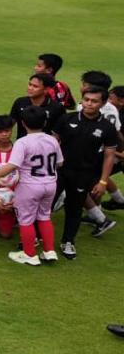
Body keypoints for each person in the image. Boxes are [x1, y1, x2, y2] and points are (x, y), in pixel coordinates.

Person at [52, 85, 120, 259]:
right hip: (58, 172)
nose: (89, 104)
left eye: (94, 101)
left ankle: (68, 241)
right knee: (46, 206)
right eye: (86, 100)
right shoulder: (67, 119)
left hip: (83, 175)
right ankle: (36, 237)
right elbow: (53, 142)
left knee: (74, 209)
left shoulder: (107, 127)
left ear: (102, 103)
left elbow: (109, 156)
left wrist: (103, 181)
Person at [0, 107, 63, 265]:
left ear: (23, 123)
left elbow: (12, 165)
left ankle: (29, 254)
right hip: (51, 184)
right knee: (44, 216)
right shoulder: (52, 140)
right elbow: (59, 163)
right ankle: (49, 251)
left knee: (26, 219)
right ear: (45, 122)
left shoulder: (22, 142)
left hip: (29, 186)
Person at [9, 73, 66, 139]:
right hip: (23, 144)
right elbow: (9, 124)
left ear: (46, 89)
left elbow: (59, 132)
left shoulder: (57, 108)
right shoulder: (20, 102)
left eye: (35, 86)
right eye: (30, 84)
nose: (30, 88)